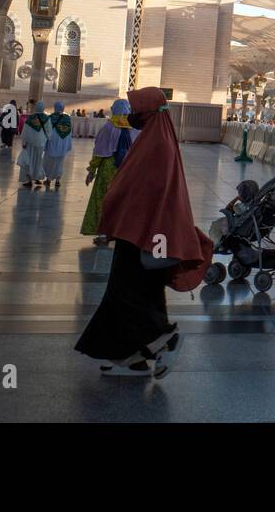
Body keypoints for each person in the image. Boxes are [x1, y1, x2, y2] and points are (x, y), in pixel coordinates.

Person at [75, 86, 212, 378]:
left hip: (145, 231)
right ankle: (129, 356)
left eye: (137, 109)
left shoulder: (156, 144)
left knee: (131, 291)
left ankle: (165, 338)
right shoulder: (154, 138)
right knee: (134, 290)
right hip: (139, 229)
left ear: (147, 111)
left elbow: (147, 189)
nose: (133, 115)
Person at [81, 100, 138, 244]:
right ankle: (121, 231)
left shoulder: (108, 127)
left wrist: (92, 171)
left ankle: (103, 232)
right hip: (127, 169)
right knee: (123, 201)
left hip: (108, 167)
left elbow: (99, 152)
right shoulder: (134, 128)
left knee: (103, 200)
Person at [18, 102, 49, 187]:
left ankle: (29, 180)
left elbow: (25, 131)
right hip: (41, 143)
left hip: (30, 143)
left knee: (29, 161)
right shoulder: (46, 118)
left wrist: (24, 142)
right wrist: (48, 140)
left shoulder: (31, 118)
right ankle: (37, 177)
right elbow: (49, 131)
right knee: (38, 161)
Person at [42, 102, 73, 189]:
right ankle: (58, 180)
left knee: (49, 162)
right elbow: (69, 133)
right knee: (59, 163)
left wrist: (45, 142)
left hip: (52, 142)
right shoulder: (67, 118)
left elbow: (46, 130)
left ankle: (48, 179)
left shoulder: (51, 117)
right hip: (62, 144)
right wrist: (67, 144)